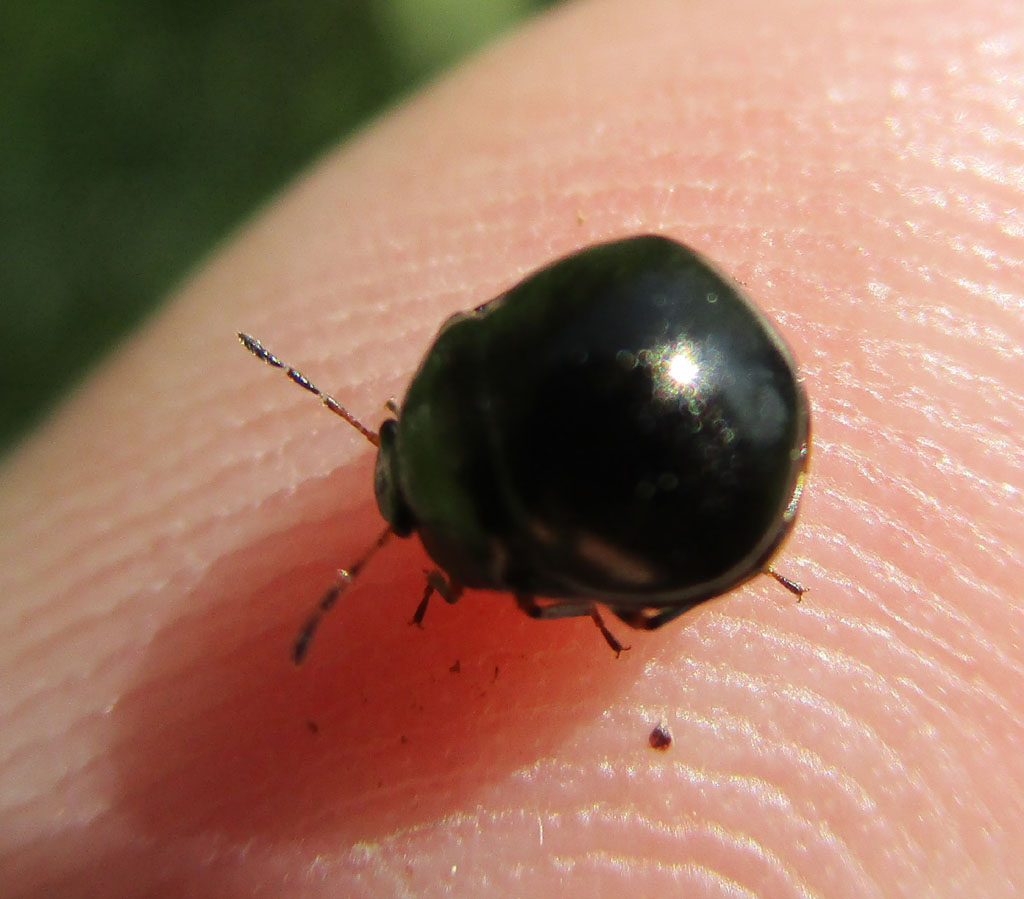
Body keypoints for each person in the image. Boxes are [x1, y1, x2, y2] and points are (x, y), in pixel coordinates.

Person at [2, 0, 1021, 894]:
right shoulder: (461, 367)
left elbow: (530, 587)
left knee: (569, 594)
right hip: (706, 354)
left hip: (723, 444)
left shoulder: (499, 529)